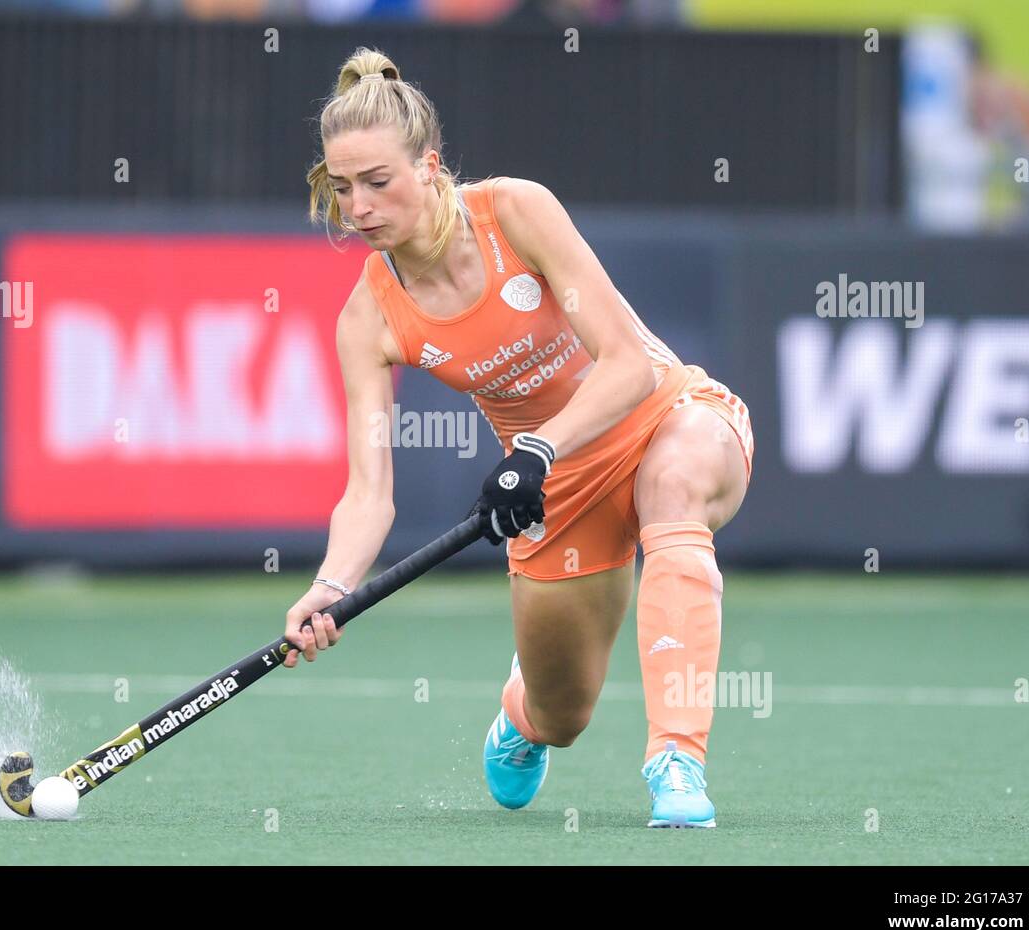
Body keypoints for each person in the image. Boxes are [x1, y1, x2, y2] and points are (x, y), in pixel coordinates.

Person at [287, 46, 753, 827]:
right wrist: (332, 586)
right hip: (553, 490)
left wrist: (534, 448)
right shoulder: (367, 319)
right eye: (342, 189)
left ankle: (677, 759)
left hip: (669, 416)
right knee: (562, 714)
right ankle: (522, 715)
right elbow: (368, 493)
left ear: (429, 166)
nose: (359, 207)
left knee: (673, 489)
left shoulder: (514, 211)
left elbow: (628, 365)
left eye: (378, 182)